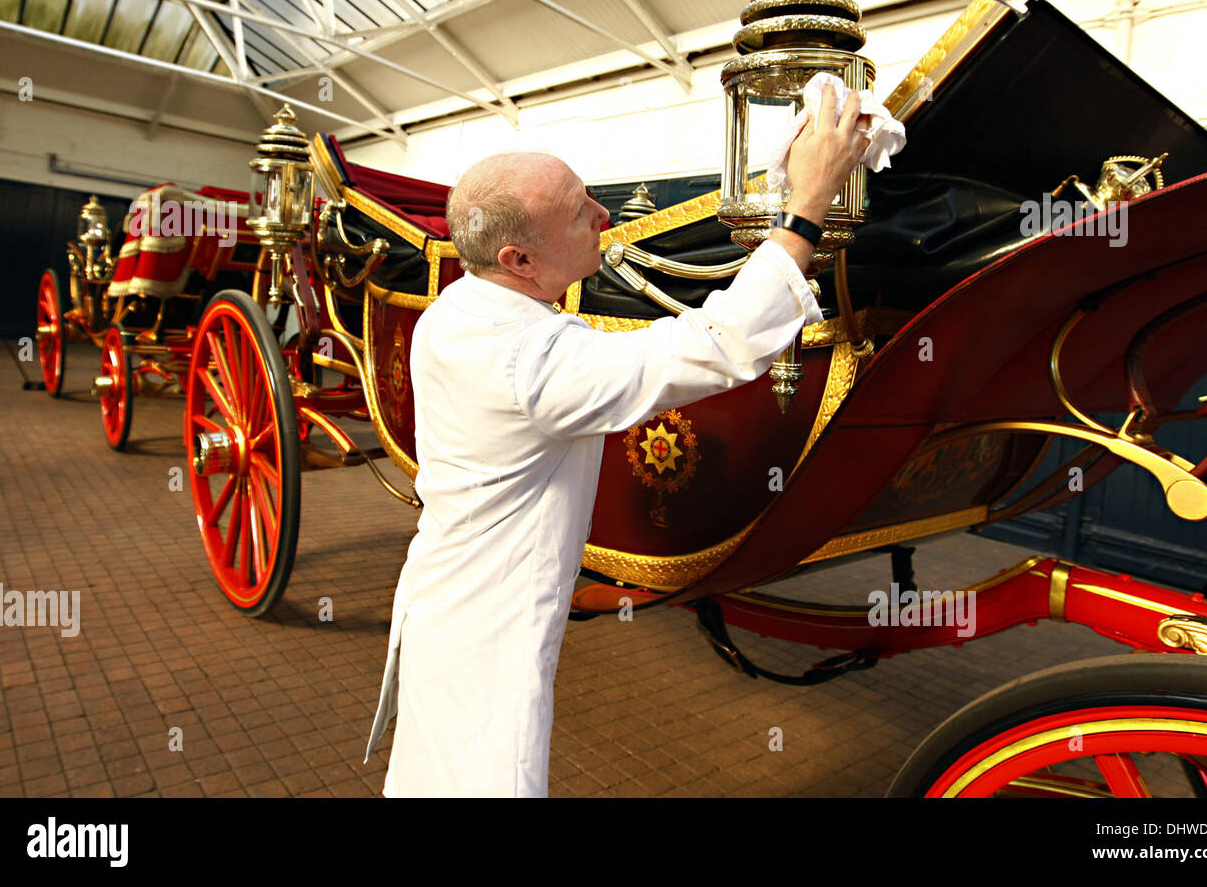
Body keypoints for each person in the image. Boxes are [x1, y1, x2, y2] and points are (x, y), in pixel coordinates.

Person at [366, 87, 873, 796]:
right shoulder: (523, 362)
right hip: (486, 634)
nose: (607, 217)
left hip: (452, 602)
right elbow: (719, 345)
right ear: (519, 260)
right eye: (581, 213)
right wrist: (809, 206)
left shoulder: (463, 308)